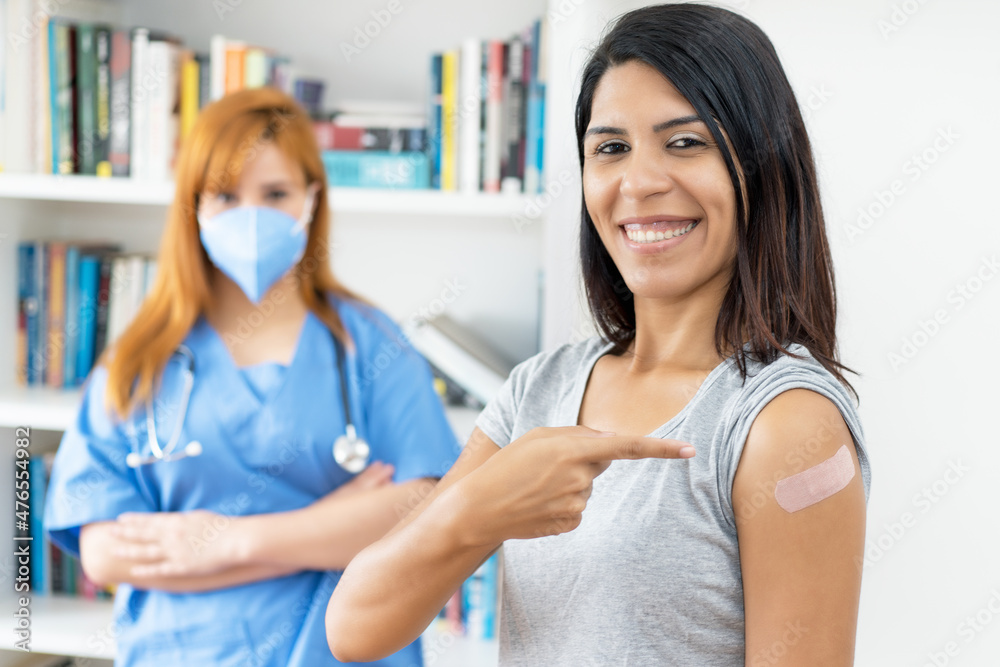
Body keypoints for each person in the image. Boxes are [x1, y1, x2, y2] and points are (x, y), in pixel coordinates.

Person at [326, 4, 872, 666]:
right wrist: (476, 507)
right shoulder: (540, 388)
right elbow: (354, 629)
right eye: (610, 148)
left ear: (762, 163)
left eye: (686, 141)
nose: (639, 182)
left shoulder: (787, 423)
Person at [44, 87, 460, 667]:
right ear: (193, 205)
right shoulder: (139, 359)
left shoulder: (367, 343)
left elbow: (423, 507)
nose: (252, 216)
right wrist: (328, 533)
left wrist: (223, 542)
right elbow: (104, 553)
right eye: (226, 195)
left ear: (312, 199)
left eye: (275, 194)